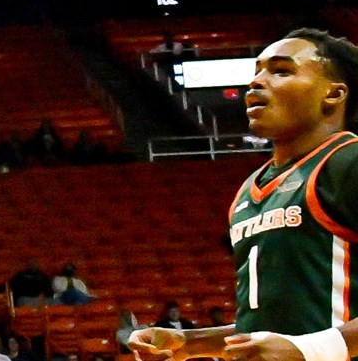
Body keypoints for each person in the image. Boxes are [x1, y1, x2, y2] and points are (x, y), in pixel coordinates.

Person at [129, 28, 358, 361]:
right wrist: (189, 343)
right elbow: (272, 327)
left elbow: (300, 342)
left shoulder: (347, 162)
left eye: (281, 71)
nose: (257, 81)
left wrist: (309, 349)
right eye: (257, 71)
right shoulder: (250, 190)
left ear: (333, 94)